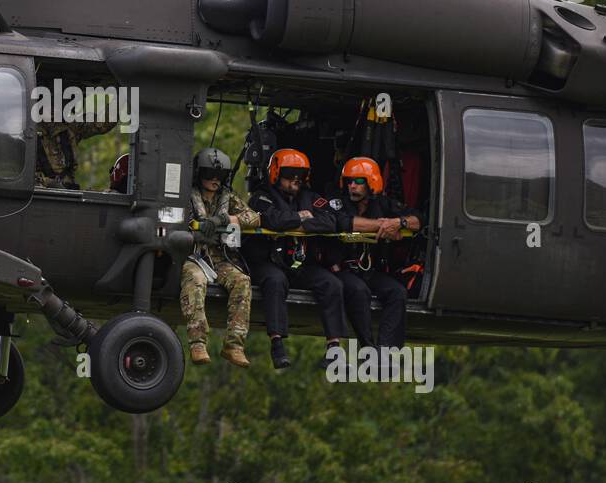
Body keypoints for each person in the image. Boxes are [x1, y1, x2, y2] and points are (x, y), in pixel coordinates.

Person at [244, 148, 348, 370]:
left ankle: (334, 348)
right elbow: (270, 219)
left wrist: (298, 223)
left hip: (300, 264)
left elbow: (330, 221)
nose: (294, 182)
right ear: (276, 175)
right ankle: (277, 344)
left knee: (332, 283)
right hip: (268, 263)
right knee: (275, 281)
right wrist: (300, 217)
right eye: (289, 177)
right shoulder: (262, 196)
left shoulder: (311, 197)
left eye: (299, 178)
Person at [326, 157, 424, 349]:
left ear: (371, 182)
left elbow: (419, 219)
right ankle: (367, 348)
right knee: (359, 291)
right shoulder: (337, 203)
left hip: (370, 271)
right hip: (342, 270)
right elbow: (344, 222)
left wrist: (399, 223)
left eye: (358, 182)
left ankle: (387, 350)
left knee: (398, 293)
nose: (352, 186)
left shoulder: (383, 203)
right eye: (349, 182)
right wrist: (382, 225)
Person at [180, 147, 259, 367]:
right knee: (195, 281)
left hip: (221, 258)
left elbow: (253, 218)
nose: (215, 179)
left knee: (242, 282)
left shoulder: (227, 198)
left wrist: (224, 220)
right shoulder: (186, 196)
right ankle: (197, 342)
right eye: (209, 174)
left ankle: (234, 345)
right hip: (194, 256)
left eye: (220, 175)